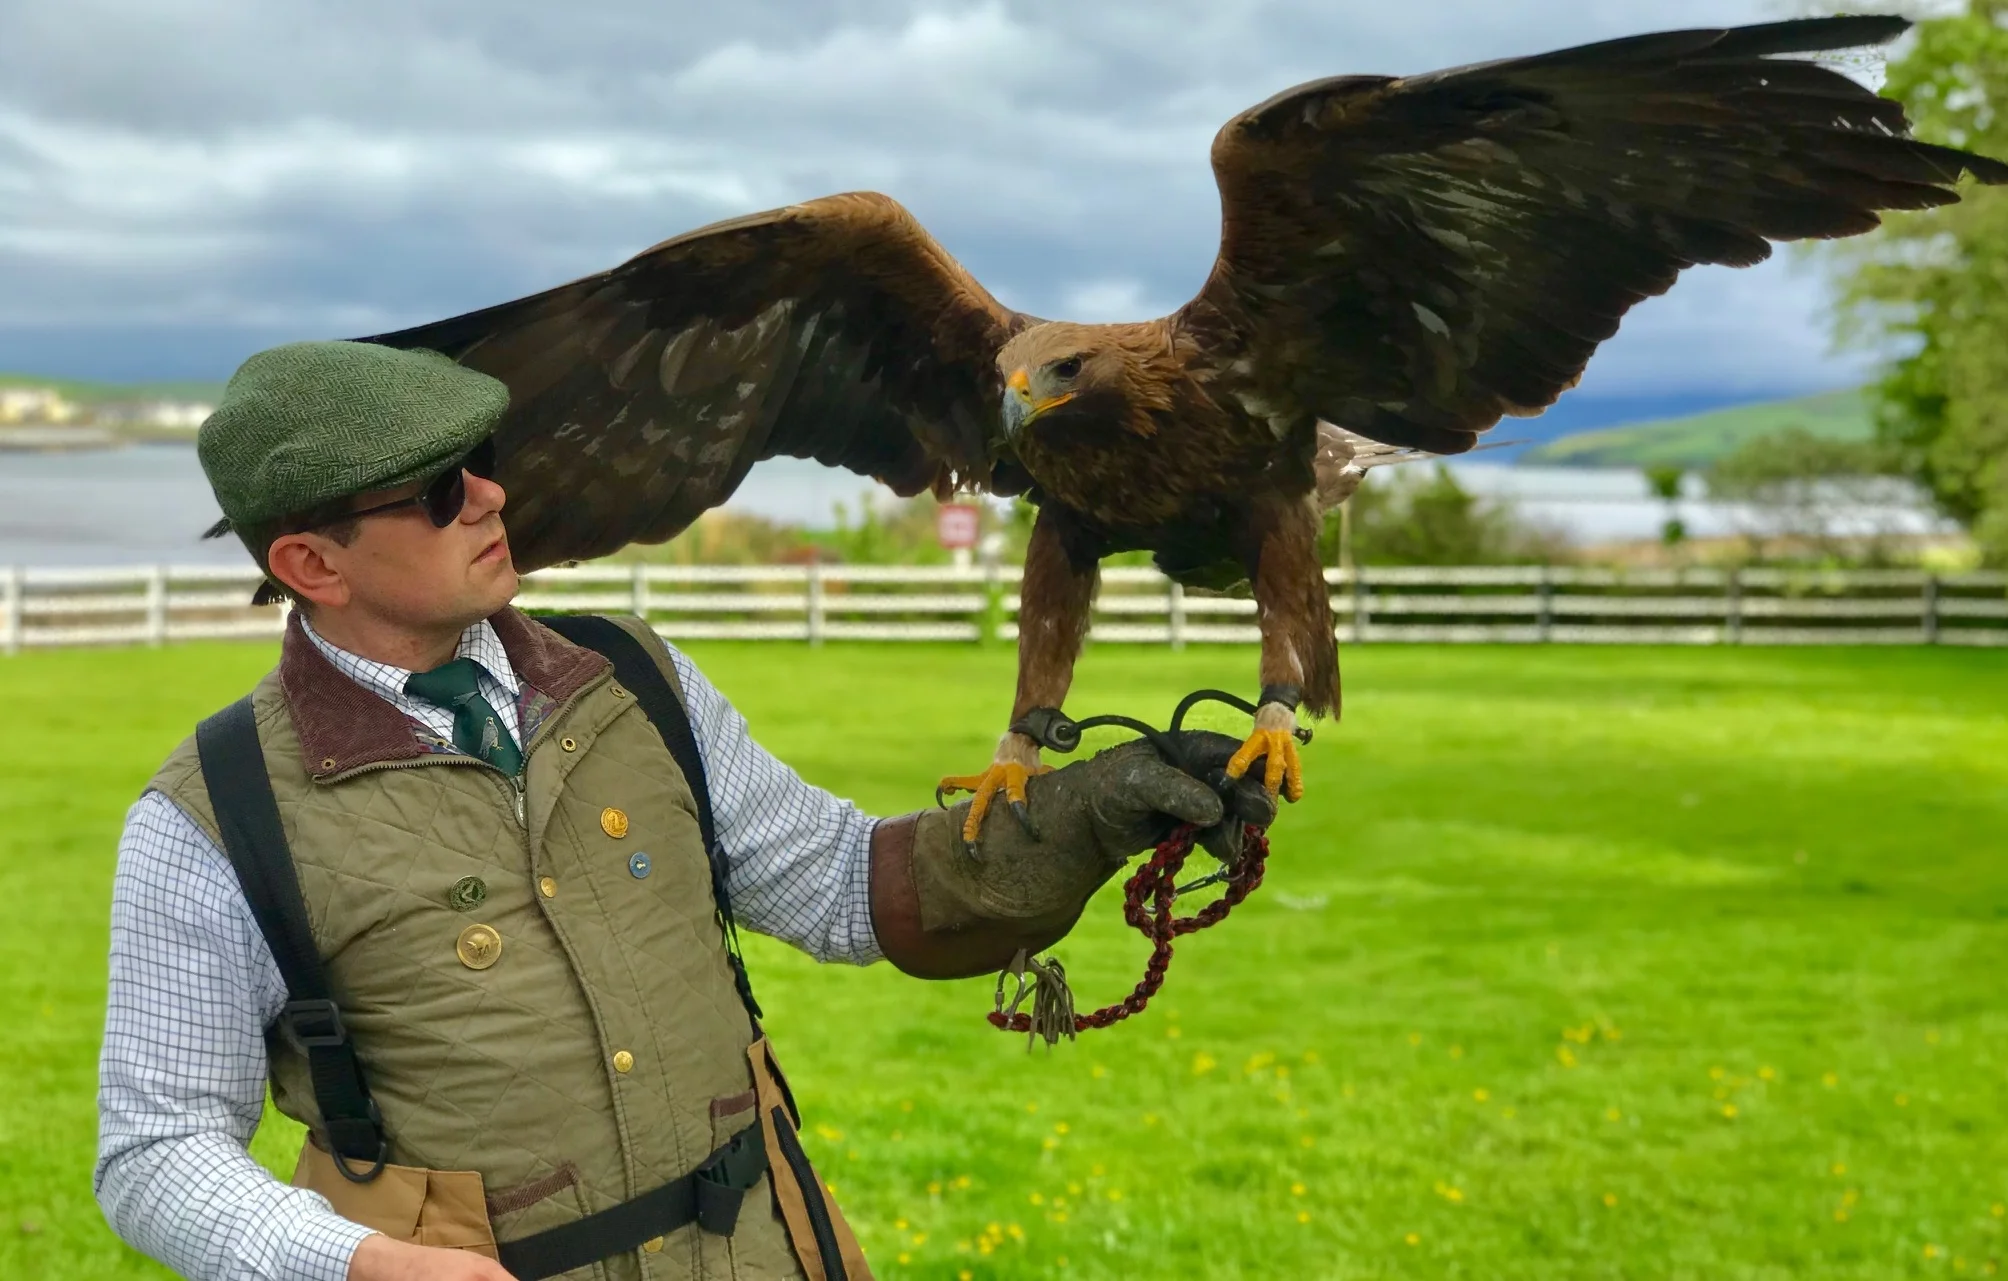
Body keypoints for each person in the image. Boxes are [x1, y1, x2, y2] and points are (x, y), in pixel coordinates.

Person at [95, 340, 1275, 1281]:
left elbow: (837, 882)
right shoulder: (214, 816)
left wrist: (1074, 818)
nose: (493, 495)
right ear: (312, 564)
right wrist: (355, 1265)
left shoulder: (635, 681)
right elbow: (153, 1153)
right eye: (443, 488)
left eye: (487, 457)